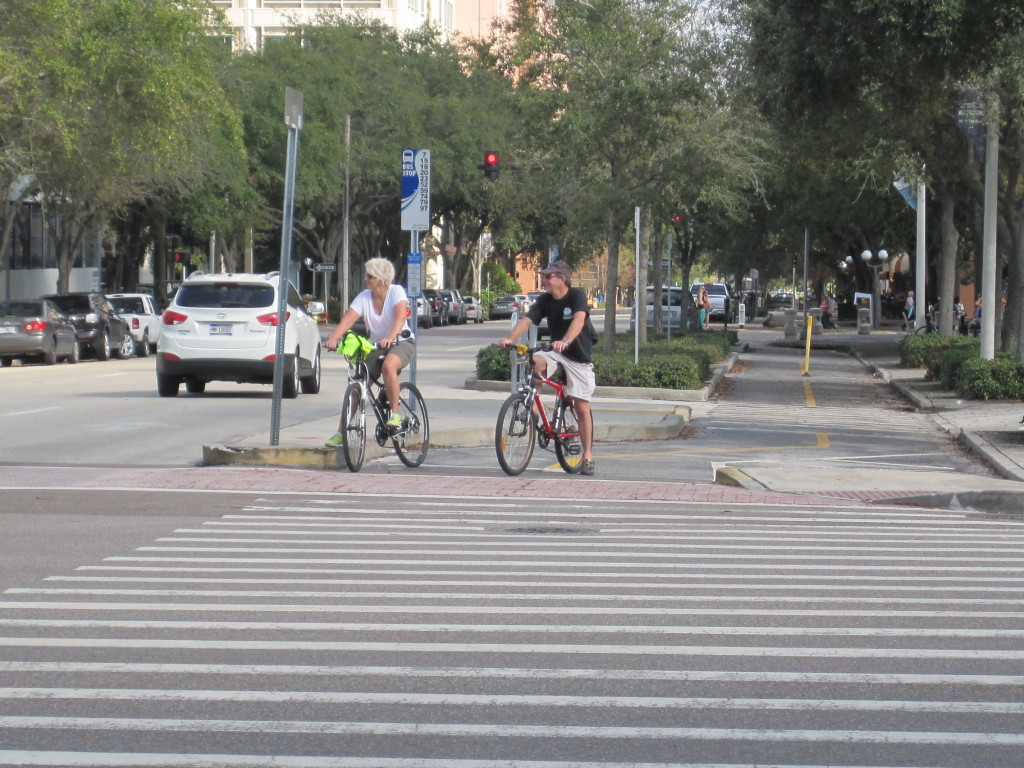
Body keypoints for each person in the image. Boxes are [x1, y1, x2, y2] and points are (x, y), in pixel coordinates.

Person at [499, 261, 596, 476]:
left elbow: (579, 320)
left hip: (578, 356)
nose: (545, 281)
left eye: (549, 277)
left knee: (581, 406)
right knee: (536, 360)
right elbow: (527, 320)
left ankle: (587, 455)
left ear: (562, 279)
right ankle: (533, 403)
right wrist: (509, 339)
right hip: (556, 352)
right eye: (544, 277)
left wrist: (566, 340)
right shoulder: (544, 300)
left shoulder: (576, 295)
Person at [324, 258, 414, 446]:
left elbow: (399, 319)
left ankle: (395, 415)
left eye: (370, 276)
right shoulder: (364, 297)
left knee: (389, 367)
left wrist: (390, 336)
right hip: (376, 346)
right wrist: (334, 338)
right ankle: (341, 432)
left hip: (401, 341)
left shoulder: (396, 292)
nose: (366, 279)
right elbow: (348, 319)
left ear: (381, 279)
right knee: (358, 386)